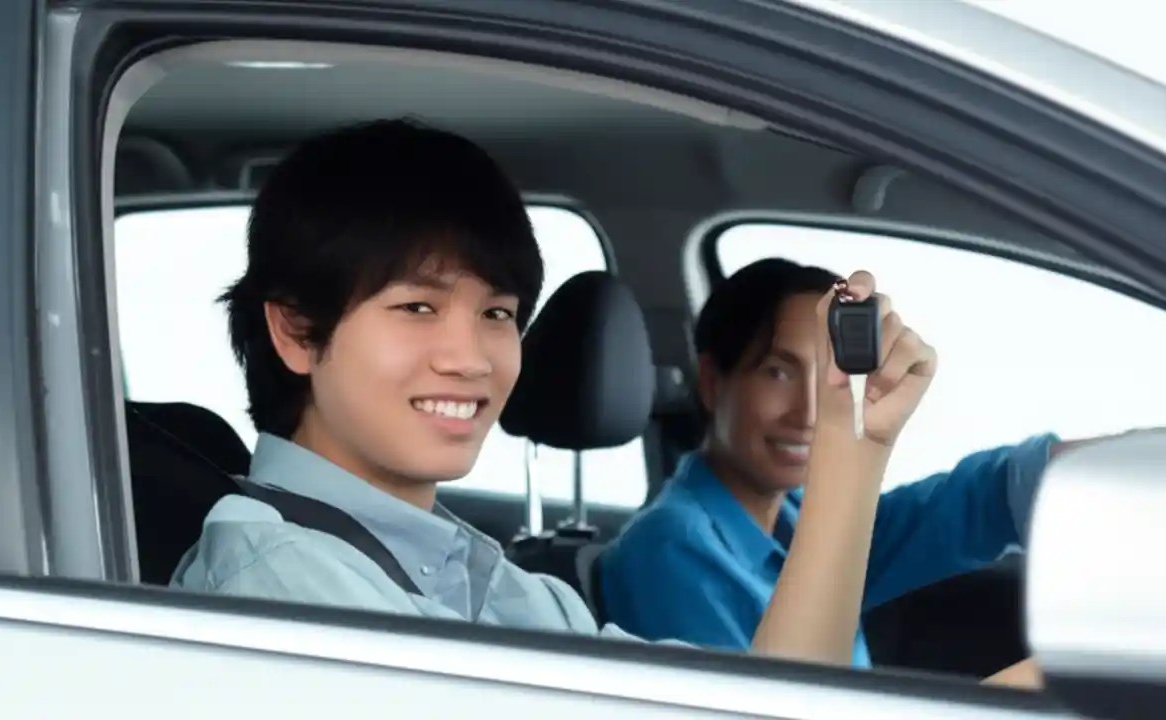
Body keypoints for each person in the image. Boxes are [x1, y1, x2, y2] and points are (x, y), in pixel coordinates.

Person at [170, 119, 1036, 687]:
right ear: (297, 333)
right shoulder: (278, 595)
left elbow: (761, 708)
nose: (469, 358)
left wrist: (860, 443)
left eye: (498, 314)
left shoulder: (500, 586)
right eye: (417, 308)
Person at [599, 257, 1091, 680]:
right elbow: (767, 708)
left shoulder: (792, 515)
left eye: (830, 376)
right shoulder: (669, 549)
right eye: (779, 372)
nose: (811, 412)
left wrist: (1093, 469)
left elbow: (962, 509)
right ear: (712, 381)